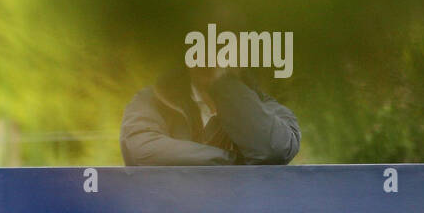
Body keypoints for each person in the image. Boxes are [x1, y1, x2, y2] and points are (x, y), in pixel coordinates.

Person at [120, 64, 300, 166]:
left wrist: (225, 87)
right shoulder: (152, 100)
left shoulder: (268, 108)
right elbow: (140, 150)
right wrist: (231, 161)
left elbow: (273, 150)